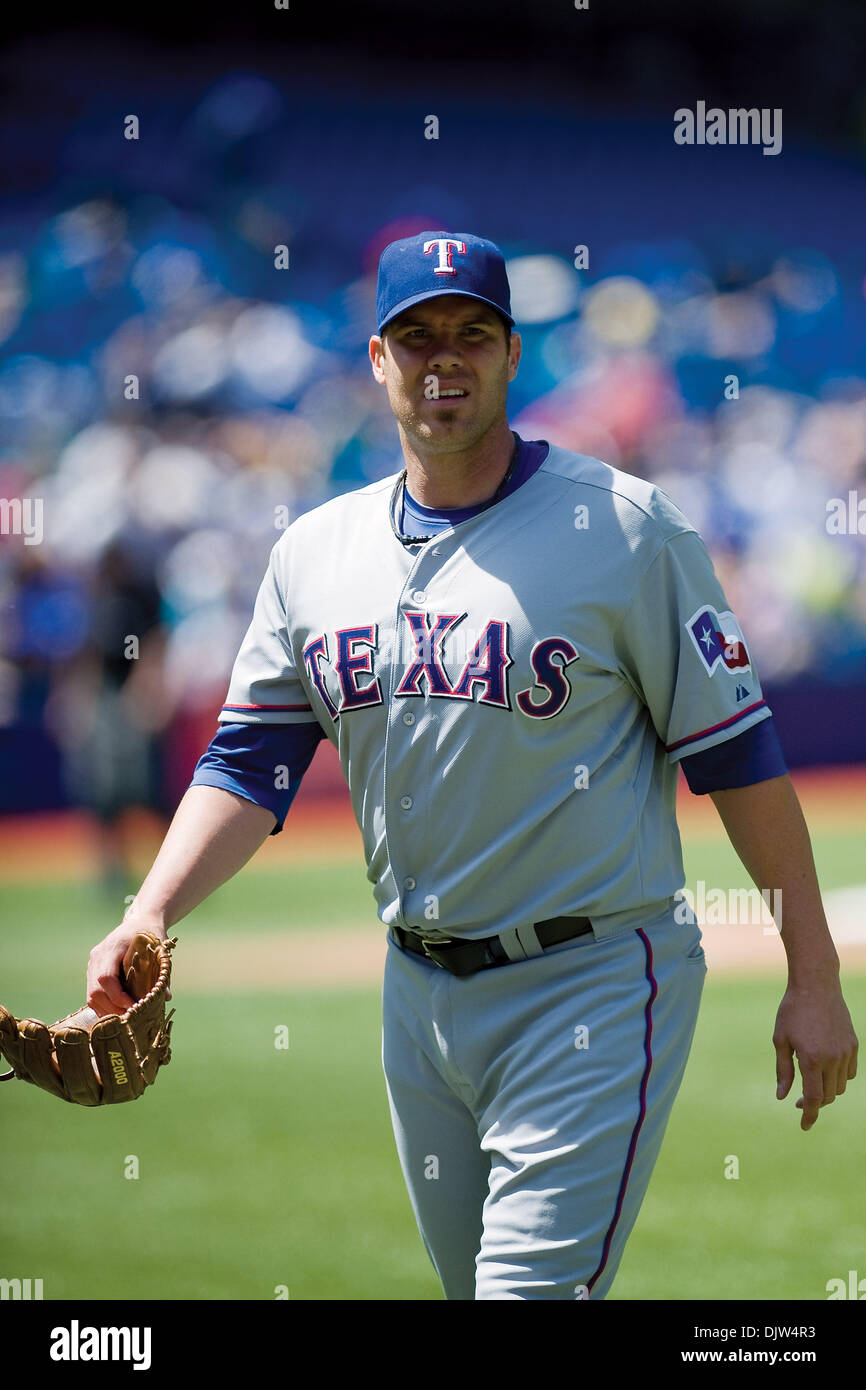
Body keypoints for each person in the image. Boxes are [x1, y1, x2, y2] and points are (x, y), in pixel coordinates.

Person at [87, 231, 858, 1300]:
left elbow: (740, 761)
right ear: (376, 359)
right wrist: (150, 912)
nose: (442, 357)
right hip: (416, 994)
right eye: (416, 337)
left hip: (592, 980)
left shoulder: (625, 528)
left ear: (510, 354)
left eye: (471, 333)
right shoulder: (314, 553)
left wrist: (812, 977)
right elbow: (250, 763)